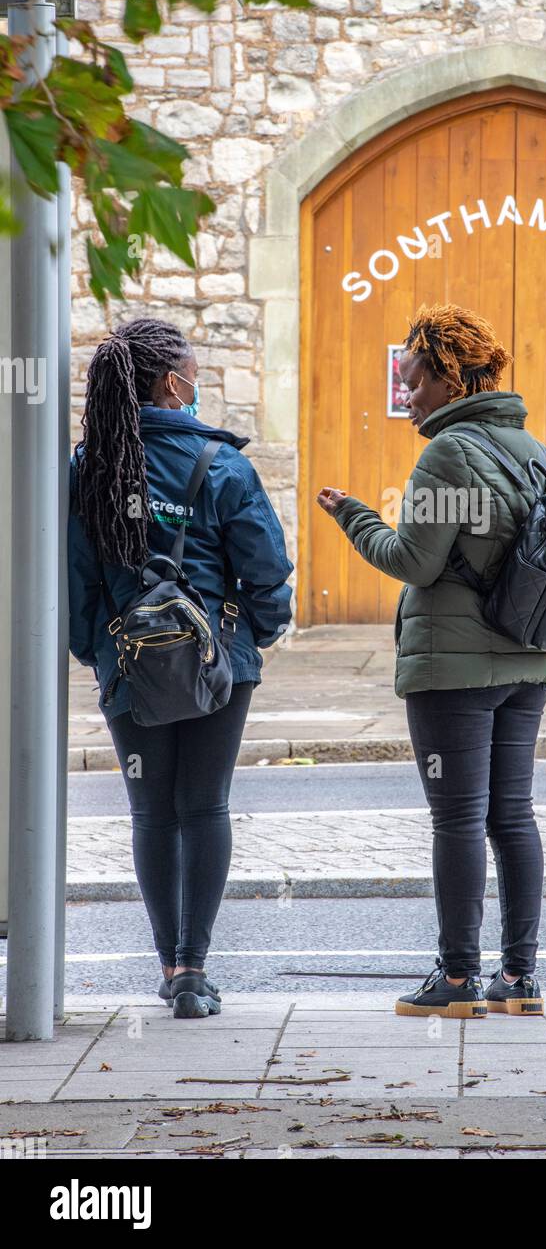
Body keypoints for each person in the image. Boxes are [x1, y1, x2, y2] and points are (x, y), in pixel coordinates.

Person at [317, 302, 546, 1020]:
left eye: (413, 379)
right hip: (528, 656)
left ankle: (456, 981)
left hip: (454, 667)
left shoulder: (446, 453)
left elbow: (415, 562)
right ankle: (518, 980)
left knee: (457, 820)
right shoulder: (533, 449)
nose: (407, 394)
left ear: (449, 377)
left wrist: (354, 516)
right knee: (512, 816)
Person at [68, 318, 293, 1018]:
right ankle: (194, 969)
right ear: (173, 383)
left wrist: (96, 648)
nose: (197, 383)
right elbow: (266, 569)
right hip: (217, 661)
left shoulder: (89, 467)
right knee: (205, 804)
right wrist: (255, 633)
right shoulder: (221, 464)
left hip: (128, 659)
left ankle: (167, 962)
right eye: (193, 371)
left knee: (151, 813)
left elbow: (76, 578)